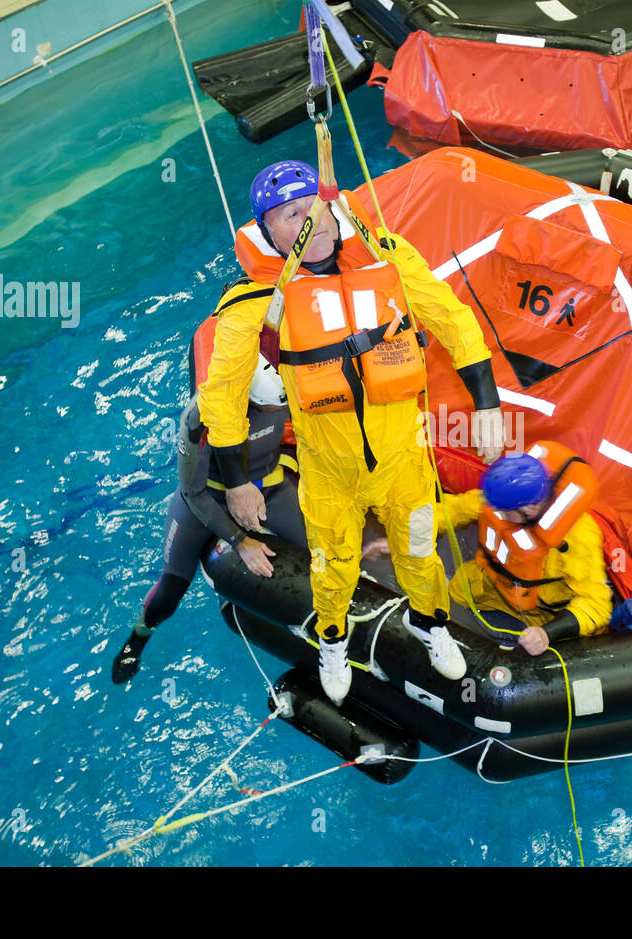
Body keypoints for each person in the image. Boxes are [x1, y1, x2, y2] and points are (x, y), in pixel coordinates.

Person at [197, 160, 505, 704]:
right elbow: (222, 394)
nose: (308, 222)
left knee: (419, 553)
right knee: (332, 566)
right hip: (329, 468)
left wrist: (486, 404)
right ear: (268, 233)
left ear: (335, 208)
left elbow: (451, 318)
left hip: (402, 459)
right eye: (290, 216)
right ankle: (333, 640)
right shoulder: (254, 300)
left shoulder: (388, 257)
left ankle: (430, 625)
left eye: (314, 207)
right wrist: (238, 480)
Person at [112, 306, 306, 684]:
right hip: (208, 500)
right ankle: (138, 638)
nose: (277, 411)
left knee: (324, 547)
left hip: (268, 485)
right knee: (172, 587)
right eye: (270, 406)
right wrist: (241, 541)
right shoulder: (201, 418)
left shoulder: (286, 386)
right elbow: (193, 493)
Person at [368, 442, 613, 655]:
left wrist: (547, 633)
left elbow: (597, 603)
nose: (494, 512)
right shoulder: (507, 498)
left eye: (503, 510)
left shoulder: (578, 538)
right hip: (486, 590)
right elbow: (454, 510)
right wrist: (401, 540)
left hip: (540, 617)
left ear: (528, 509)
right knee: (448, 601)